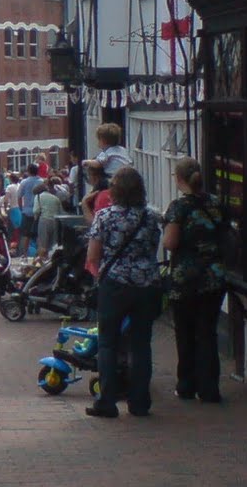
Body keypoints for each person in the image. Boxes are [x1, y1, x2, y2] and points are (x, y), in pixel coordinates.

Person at [84, 165, 164, 419]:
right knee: (141, 344)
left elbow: (93, 256)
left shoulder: (105, 217)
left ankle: (107, 402)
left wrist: (103, 276)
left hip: (115, 285)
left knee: (108, 343)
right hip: (146, 284)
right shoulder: (152, 218)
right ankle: (139, 402)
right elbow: (153, 249)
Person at [163, 157, 228, 405]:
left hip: (186, 278)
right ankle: (210, 389)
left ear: (179, 179)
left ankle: (187, 384)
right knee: (207, 333)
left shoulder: (179, 207)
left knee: (186, 332)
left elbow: (170, 242)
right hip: (214, 275)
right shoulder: (214, 203)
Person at [16, 164, 44, 257]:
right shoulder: (41, 181)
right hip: (39, 211)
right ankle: (39, 254)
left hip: (27, 211)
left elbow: (19, 196)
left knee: (26, 235)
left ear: (28, 171)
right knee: (39, 234)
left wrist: (21, 208)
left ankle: (24, 254)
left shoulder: (24, 182)